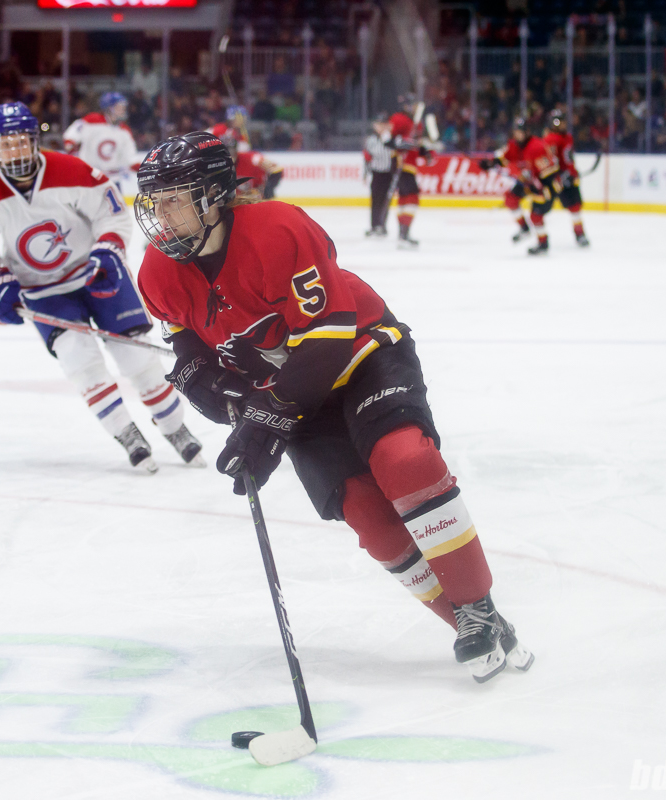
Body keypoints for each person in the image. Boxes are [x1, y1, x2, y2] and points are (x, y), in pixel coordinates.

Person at [133, 131, 534, 682]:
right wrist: (234, 407)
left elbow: (327, 337)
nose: (161, 214)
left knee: (405, 462)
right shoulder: (156, 273)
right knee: (370, 516)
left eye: (174, 198)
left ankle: (478, 605)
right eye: (154, 202)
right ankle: (471, 620)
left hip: (361, 357)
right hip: (291, 396)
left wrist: (265, 420)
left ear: (214, 194)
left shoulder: (279, 229)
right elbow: (191, 359)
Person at [0, 102, 205, 470]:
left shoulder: (70, 171)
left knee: (137, 357)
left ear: (34, 141)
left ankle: (174, 426)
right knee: (80, 361)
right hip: (42, 291)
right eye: (5, 144)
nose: (15, 151)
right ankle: (127, 433)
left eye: (21, 142)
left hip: (96, 272)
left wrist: (107, 249)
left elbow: (112, 212)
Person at [480, 118, 561, 256]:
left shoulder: (537, 147)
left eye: (520, 132)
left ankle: (543, 243)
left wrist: (546, 189)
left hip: (544, 185)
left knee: (536, 215)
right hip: (528, 182)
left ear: (527, 132)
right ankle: (524, 228)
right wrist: (491, 163)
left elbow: (550, 173)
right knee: (510, 200)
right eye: (516, 132)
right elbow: (505, 158)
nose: (517, 135)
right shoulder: (513, 145)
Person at [63, 92, 139, 195]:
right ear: (109, 108)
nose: (122, 110)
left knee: (116, 211)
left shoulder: (124, 130)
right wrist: (70, 143)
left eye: (123, 107)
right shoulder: (91, 120)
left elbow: (130, 158)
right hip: (89, 178)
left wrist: (142, 169)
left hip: (112, 180)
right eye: (119, 107)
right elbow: (72, 134)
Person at [388, 93, 433, 249]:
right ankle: (404, 233)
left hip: (410, 165)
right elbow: (389, 140)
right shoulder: (398, 119)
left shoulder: (416, 124)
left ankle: (403, 234)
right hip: (401, 163)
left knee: (405, 197)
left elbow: (417, 144)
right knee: (412, 197)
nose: (414, 108)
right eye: (412, 105)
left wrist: (426, 153)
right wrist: (401, 142)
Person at [541, 110, 589, 247]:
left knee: (575, 207)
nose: (561, 124)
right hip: (556, 179)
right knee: (541, 207)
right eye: (557, 122)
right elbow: (549, 160)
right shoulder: (550, 139)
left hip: (569, 178)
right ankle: (540, 238)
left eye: (562, 121)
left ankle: (579, 234)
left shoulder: (568, 137)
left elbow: (569, 159)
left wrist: (573, 171)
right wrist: (558, 175)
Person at [363, 112, 396, 237]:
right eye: (379, 124)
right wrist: (365, 175)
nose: (382, 127)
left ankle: (382, 225)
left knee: (386, 200)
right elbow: (368, 157)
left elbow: (393, 154)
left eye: (384, 124)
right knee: (375, 200)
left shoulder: (391, 139)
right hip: (377, 174)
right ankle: (374, 225)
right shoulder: (371, 140)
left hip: (388, 174)